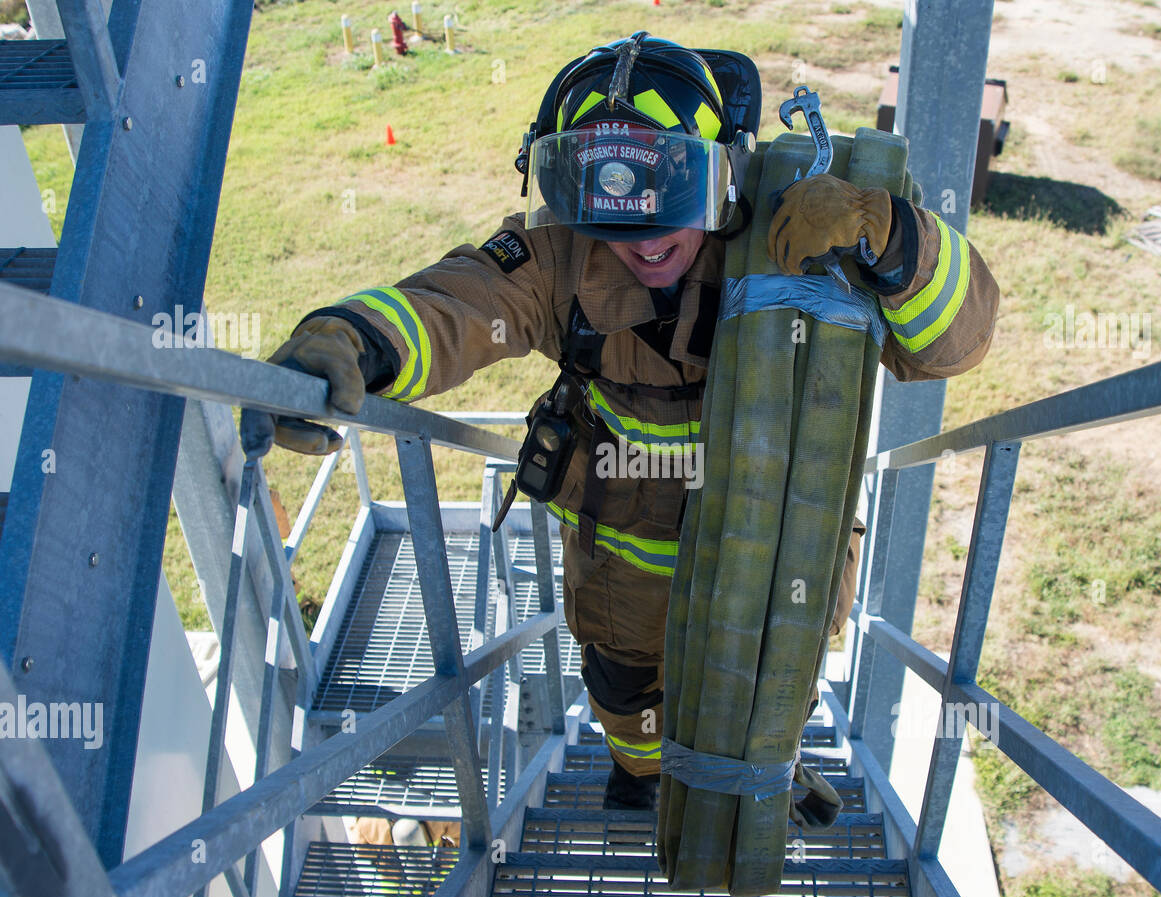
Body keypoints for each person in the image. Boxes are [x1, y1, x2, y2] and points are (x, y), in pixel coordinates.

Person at [241, 33, 1000, 810]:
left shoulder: (807, 233)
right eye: (610, 211)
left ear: (723, 169)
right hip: (624, 570)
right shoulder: (563, 261)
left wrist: (897, 240)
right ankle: (641, 776)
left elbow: (954, 344)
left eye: (669, 198)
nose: (642, 242)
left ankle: (754, 787)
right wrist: (354, 341)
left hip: (780, 566)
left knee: (773, 690)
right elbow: (459, 303)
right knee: (623, 689)